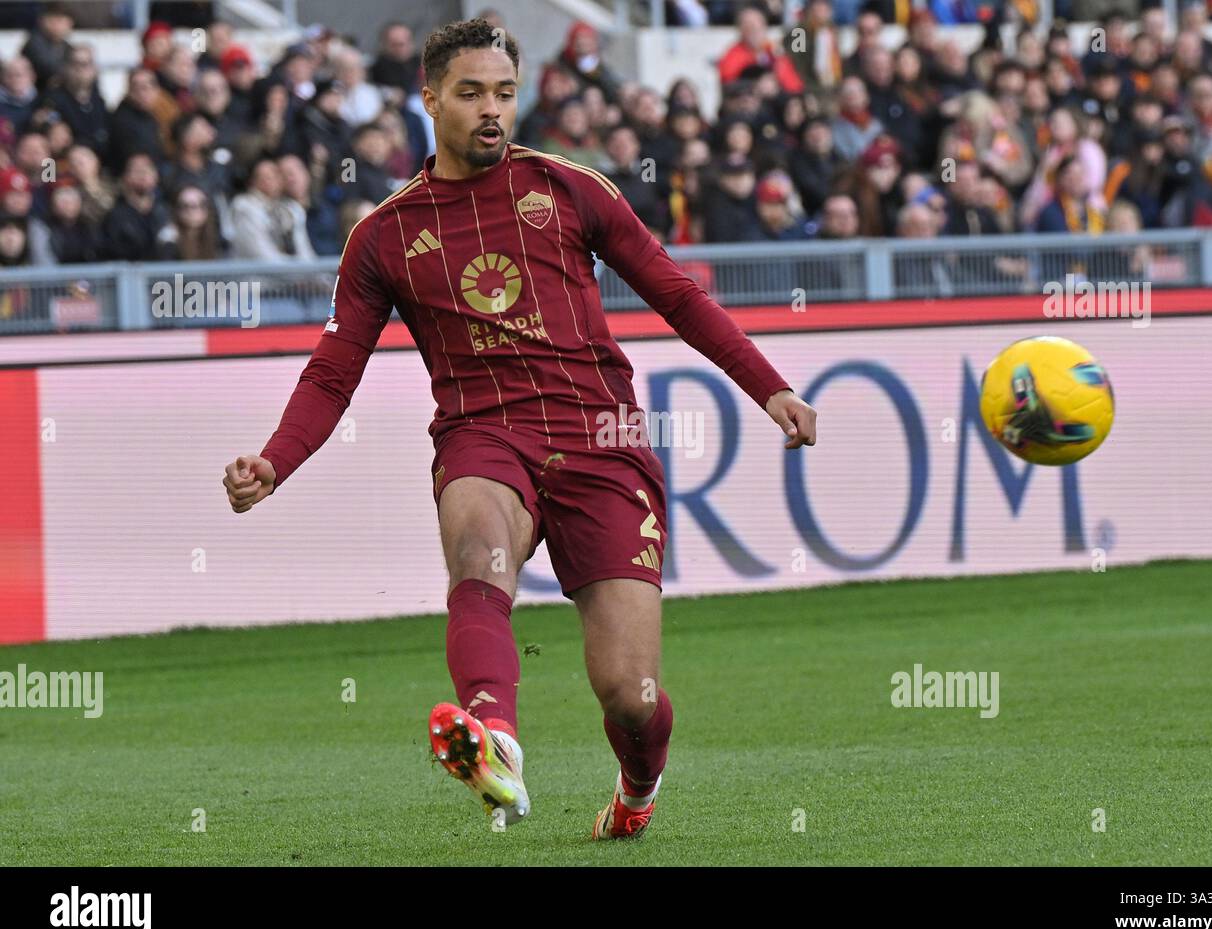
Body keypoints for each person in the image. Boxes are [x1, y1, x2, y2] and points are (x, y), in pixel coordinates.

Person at [222, 18, 815, 841]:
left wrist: (769, 387)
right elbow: (333, 370)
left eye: (504, 92)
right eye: (471, 94)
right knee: (477, 554)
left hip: (601, 434)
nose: (492, 109)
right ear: (429, 99)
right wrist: (276, 461)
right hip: (482, 431)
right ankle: (494, 737)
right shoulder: (383, 235)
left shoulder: (572, 188)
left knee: (630, 696)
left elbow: (677, 294)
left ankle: (637, 788)